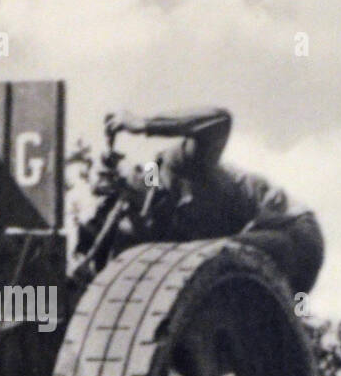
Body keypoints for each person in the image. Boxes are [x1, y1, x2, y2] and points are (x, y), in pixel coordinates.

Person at [103, 108, 325, 295]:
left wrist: (143, 124)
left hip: (295, 235)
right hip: (279, 270)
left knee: (204, 258)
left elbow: (220, 120)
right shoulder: (164, 226)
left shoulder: (179, 164)